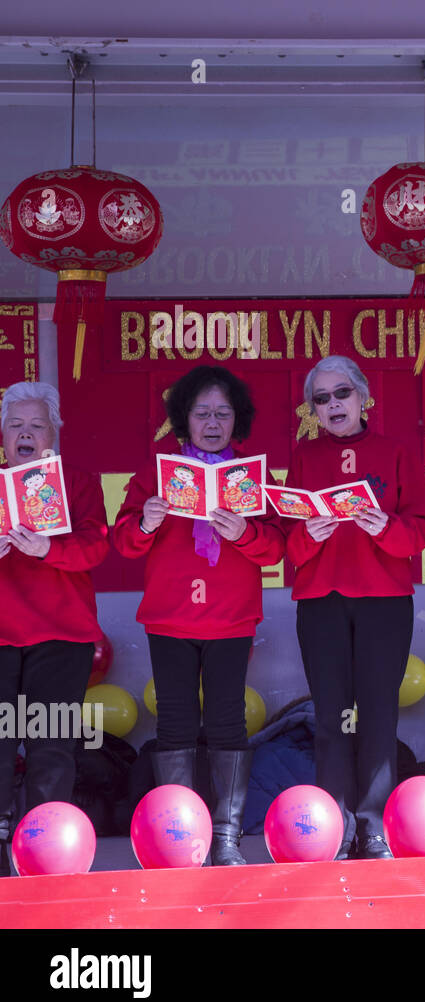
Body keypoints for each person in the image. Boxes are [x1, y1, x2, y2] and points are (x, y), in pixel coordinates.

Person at [113, 366, 283, 866]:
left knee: (229, 723)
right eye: (202, 412)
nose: (213, 422)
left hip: (231, 619)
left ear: (238, 419)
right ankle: (180, 839)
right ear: (184, 419)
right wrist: (146, 520)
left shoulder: (252, 474)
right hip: (169, 619)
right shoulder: (157, 470)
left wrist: (243, 534)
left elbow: (277, 548)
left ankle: (226, 838)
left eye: (223, 413)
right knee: (175, 725)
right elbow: (122, 541)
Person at [281, 355, 425, 859]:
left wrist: (385, 528)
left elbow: (424, 526)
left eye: (342, 393)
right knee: (329, 717)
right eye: (321, 399)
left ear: (364, 396)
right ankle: (333, 823)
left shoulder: (396, 451)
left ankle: (372, 825)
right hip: (321, 599)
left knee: (378, 714)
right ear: (313, 410)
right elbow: (287, 541)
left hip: (384, 599)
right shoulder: (303, 456)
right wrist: (310, 533)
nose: (333, 405)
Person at [0, 383, 109, 877]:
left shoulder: (80, 483)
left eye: (36, 425)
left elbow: (95, 550)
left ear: (54, 433)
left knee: (51, 747)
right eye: (15, 425)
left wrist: (47, 548)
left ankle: (45, 857)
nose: (25, 434)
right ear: (3, 435)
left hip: (61, 637)